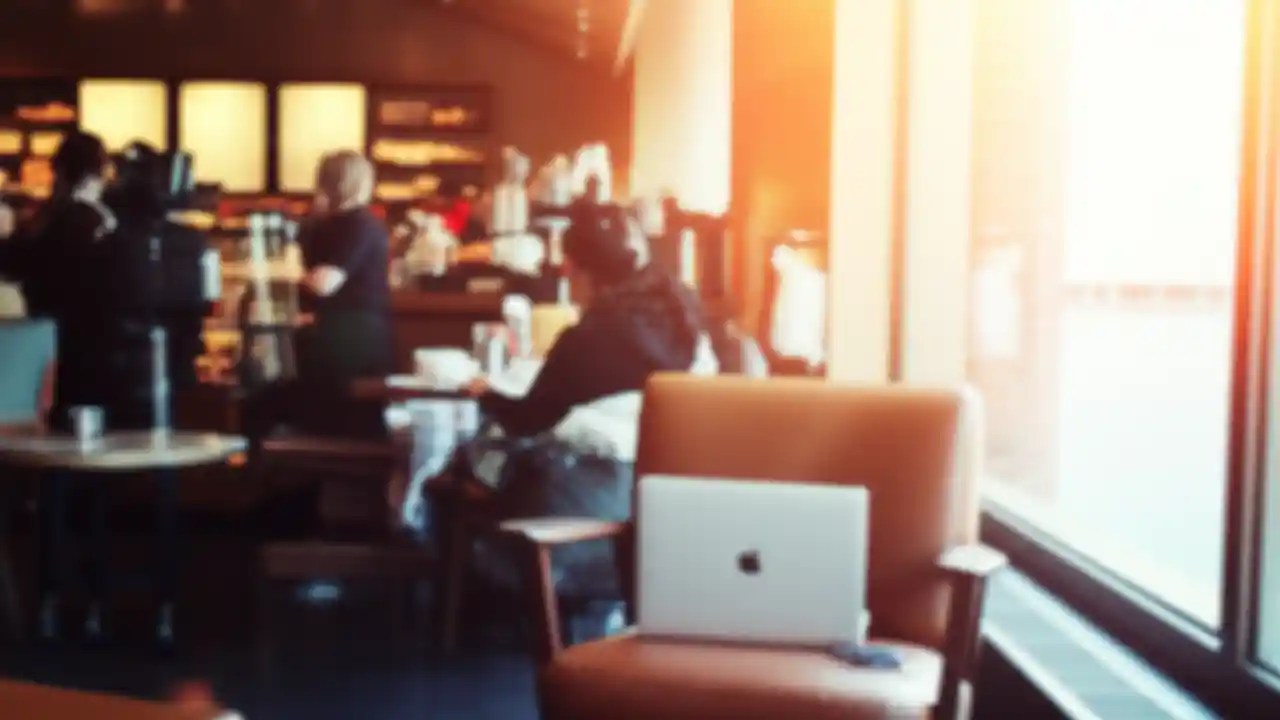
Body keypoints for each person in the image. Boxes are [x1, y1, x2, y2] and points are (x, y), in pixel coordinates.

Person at [464, 201, 708, 435]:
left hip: (590, 470)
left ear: (570, 268)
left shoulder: (586, 341)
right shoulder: (683, 310)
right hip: (669, 461)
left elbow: (527, 422)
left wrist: (484, 393)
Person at [243, 150, 392, 446]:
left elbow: (324, 283)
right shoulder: (353, 224)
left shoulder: (353, 225)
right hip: (346, 339)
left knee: (266, 401)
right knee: (269, 397)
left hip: (349, 342)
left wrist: (289, 273)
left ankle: (288, 469)